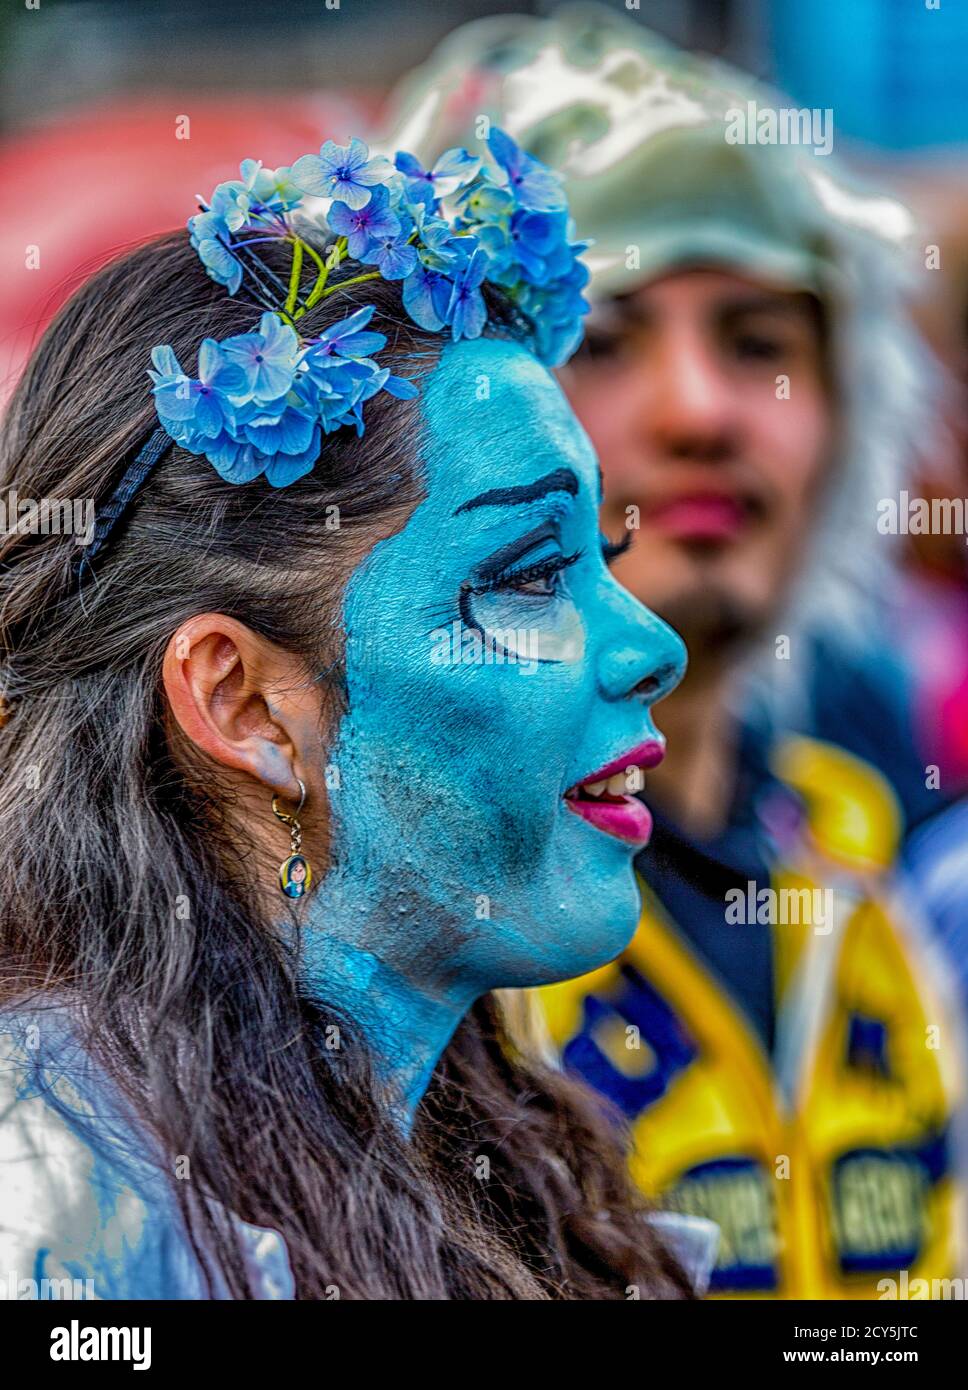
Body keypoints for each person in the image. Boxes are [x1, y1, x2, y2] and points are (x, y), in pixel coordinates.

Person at [0, 131, 700, 1299]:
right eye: (528, 573)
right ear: (243, 704)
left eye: (606, 554)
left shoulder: (492, 1157)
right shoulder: (58, 1211)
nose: (649, 646)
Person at [385, 8, 966, 1297]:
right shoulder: (374, 925)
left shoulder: (877, 862)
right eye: (599, 339)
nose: (702, 411)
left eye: (758, 342)